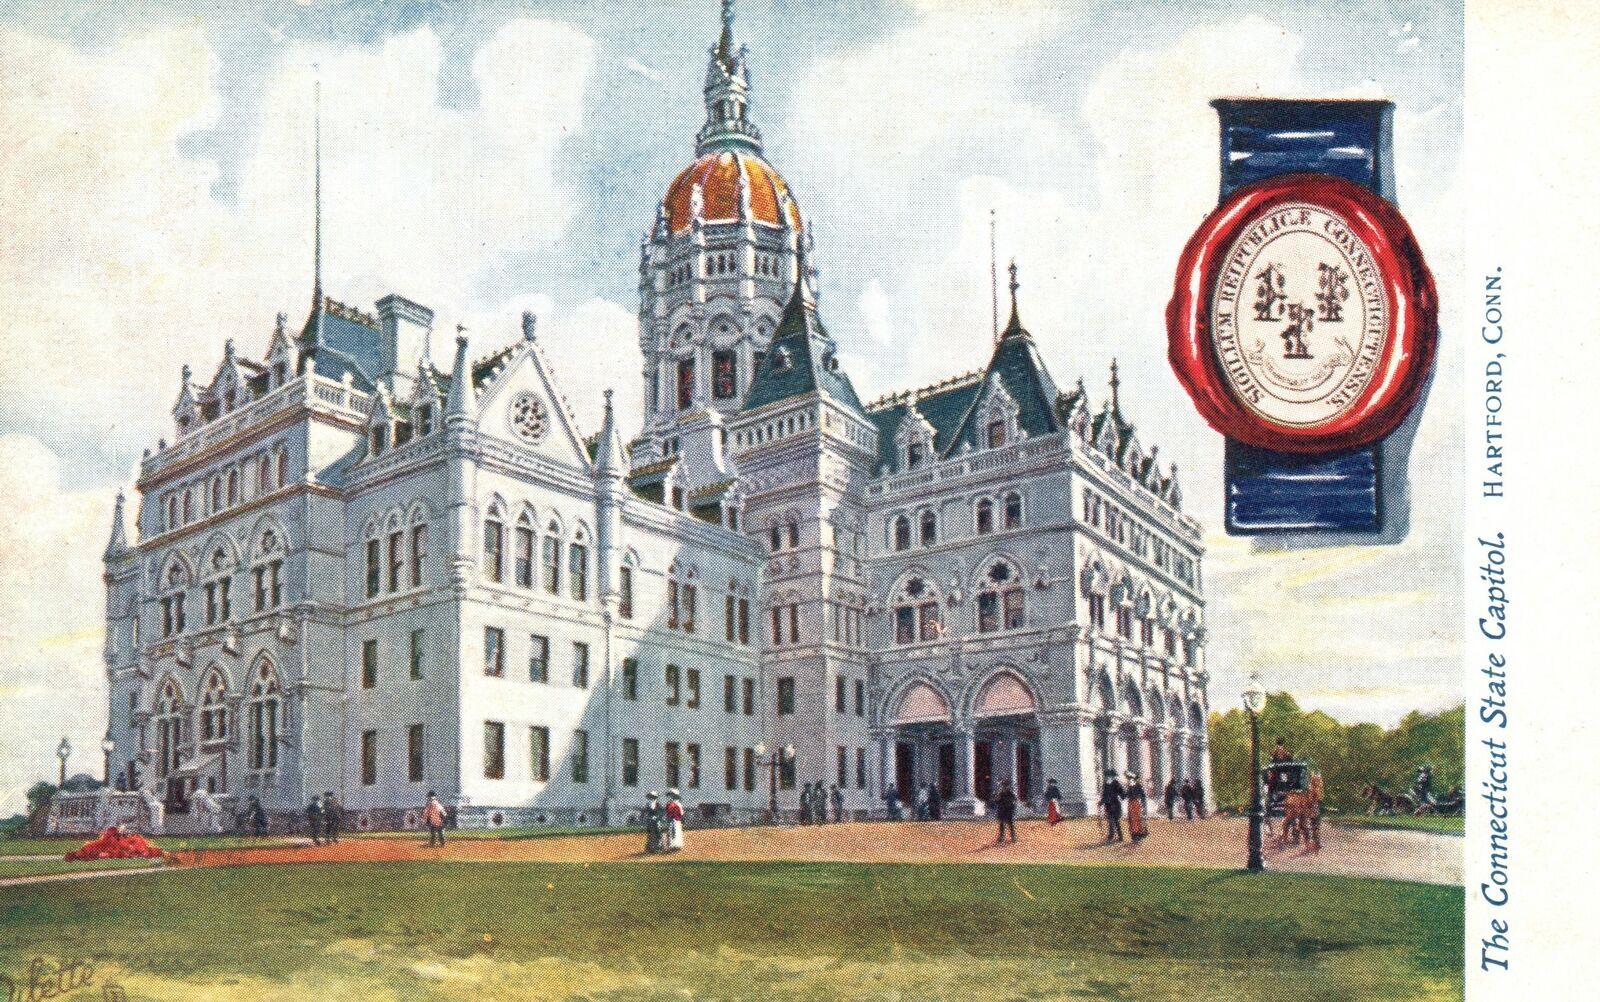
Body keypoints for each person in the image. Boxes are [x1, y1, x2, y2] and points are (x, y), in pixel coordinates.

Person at [1100, 773, 1126, 842]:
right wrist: (1101, 803)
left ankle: (1120, 837)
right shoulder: (1105, 785)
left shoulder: (1116, 784)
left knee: (1116, 822)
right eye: (1107, 776)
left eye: (1110, 776)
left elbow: (1122, 793)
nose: (1108, 778)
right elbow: (1104, 796)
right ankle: (1111, 836)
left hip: (1116, 805)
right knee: (1111, 821)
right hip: (1108, 806)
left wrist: (1123, 795)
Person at [995, 779, 1018, 844]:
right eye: (1003, 785)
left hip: (1008, 809)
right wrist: (998, 797)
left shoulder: (1010, 793)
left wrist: (1010, 804)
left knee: (1010, 823)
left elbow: (1014, 800)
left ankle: (1013, 836)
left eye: (1006, 785)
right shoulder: (1000, 793)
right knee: (1001, 823)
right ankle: (1001, 837)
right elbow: (996, 801)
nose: (1004, 787)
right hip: (1002, 810)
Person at [1127, 774, 1148, 841]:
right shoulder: (1129, 787)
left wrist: (1144, 805)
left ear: (1134, 780)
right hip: (1130, 804)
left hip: (1136, 803)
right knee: (1131, 819)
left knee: (1137, 818)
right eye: (1129, 780)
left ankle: (1138, 833)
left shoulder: (1138, 786)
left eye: (1131, 779)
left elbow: (1143, 795)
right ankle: (1134, 834)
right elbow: (1125, 795)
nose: (1129, 781)